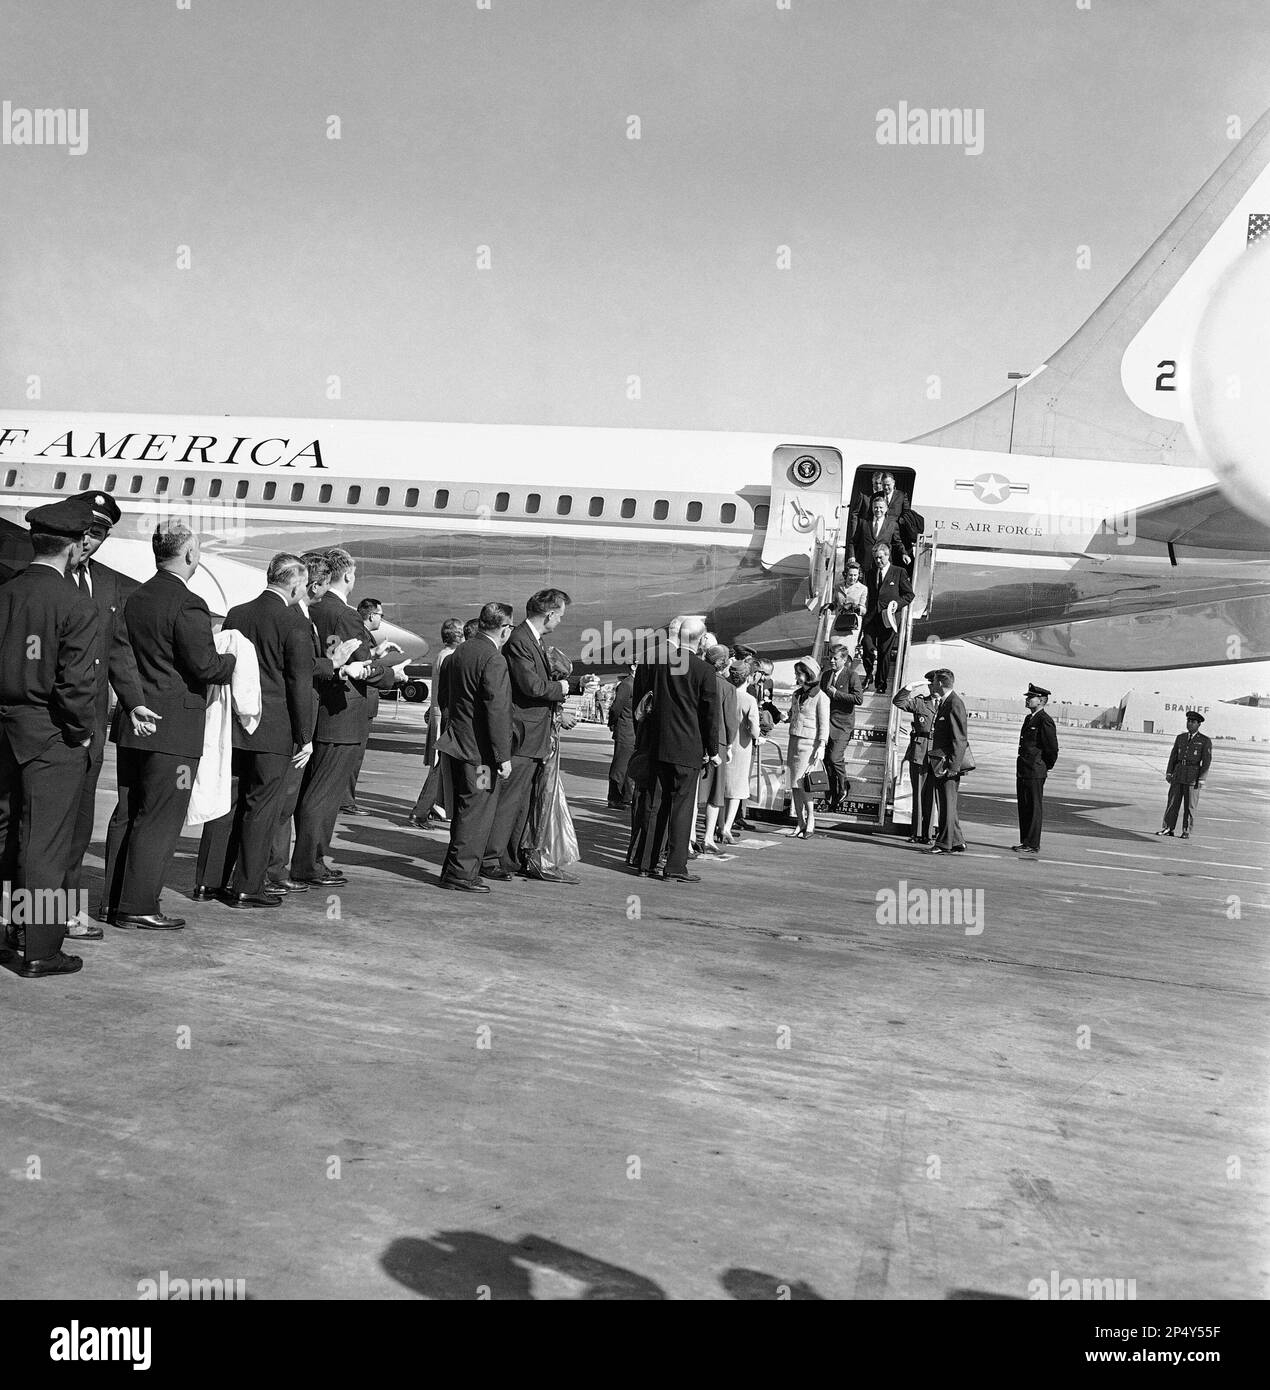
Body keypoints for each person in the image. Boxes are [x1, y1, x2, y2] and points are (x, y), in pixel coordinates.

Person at [100, 523, 237, 929]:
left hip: (134, 719)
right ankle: (138, 905)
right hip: (174, 729)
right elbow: (206, 666)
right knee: (160, 816)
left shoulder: (133, 597)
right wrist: (232, 660)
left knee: (127, 812)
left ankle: (113, 901)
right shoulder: (189, 604)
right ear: (190, 555)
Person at [0, 498, 99, 977]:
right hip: (50, 733)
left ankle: (6, 931)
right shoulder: (74, 603)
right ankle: (39, 948)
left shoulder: (6, 591)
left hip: (5, 727)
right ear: (77, 545)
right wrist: (79, 735)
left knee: (4, 833)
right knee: (45, 843)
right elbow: (77, 686)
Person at [60, 492, 161, 941]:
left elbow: (117, 647)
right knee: (34, 828)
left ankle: (60, 912)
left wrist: (134, 700)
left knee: (78, 827)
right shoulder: (42, 577)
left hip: (91, 728)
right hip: (45, 727)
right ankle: (21, 916)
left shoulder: (105, 583)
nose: (89, 543)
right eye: (84, 533)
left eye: (98, 535)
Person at [194, 555, 315, 907]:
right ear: (295, 585)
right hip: (273, 727)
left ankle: (208, 882)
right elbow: (299, 682)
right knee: (261, 807)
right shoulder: (294, 622)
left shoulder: (238, 613)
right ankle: (247, 887)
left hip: (235, 722)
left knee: (225, 803)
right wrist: (304, 735)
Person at [290, 549, 404, 886]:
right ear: (349, 576)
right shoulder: (346, 614)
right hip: (340, 716)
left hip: (317, 711)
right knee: (324, 796)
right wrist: (390, 674)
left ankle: (304, 859)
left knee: (309, 792)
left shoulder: (315, 606)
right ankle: (310, 863)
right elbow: (361, 669)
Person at [265, 553, 359, 892]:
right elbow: (298, 674)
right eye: (313, 584)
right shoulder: (295, 618)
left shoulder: (307, 614)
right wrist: (334, 664)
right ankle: (273, 872)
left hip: (300, 720)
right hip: (294, 722)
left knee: (287, 801)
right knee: (283, 803)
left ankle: (276, 870)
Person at [481, 588, 573, 884]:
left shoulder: (532, 640)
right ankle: (491, 857)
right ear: (549, 614)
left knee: (523, 801)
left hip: (535, 736)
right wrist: (561, 689)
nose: (560, 621)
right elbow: (531, 686)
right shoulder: (521, 641)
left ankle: (510, 855)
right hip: (523, 734)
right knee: (509, 800)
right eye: (560, 615)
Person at [630, 617, 720, 882]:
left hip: (660, 744)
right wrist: (712, 750)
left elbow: (646, 701)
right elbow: (709, 715)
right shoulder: (704, 671)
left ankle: (647, 862)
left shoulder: (659, 664)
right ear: (701, 639)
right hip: (688, 747)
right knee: (682, 807)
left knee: (657, 803)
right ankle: (675, 866)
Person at [436, 602, 514, 892]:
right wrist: (502, 756)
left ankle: (454, 868)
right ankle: (462, 873)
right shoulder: (493, 659)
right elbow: (497, 710)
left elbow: (445, 699)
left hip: (457, 744)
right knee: (477, 811)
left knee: (465, 808)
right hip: (480, 753)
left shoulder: (460, 652)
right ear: (504, 628)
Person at [342, 597, 401, 814]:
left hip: (366, 702)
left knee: (355, 756)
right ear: (371, 615)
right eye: (381, 615)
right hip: (362, 702)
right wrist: (393, 675)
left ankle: (346, 799)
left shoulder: (365, 635)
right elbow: (364, 666)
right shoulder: (361, 634)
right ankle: (345, 800)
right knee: (354, 756)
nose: (381, 619)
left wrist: (377, 654)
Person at [409, 617, 464, 827]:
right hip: (443, 716)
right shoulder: (451, 657)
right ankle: (420, 811)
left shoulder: (442, 655)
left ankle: (434, 807)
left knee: (440, 766)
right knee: (438, 767)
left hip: (437, 712)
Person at [697, 644, 740, 855]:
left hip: (696, 740)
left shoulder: (698, 679)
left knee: (694, 793)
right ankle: (707, 838)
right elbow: (732, 722)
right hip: (719, 743)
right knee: (715, 794)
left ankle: (688, 838)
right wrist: (730, 745)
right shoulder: (728, 688)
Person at [785, 656, 830, 839]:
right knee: (793, 784)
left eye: (799, 674)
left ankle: (811, 819)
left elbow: (824, 724)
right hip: (793, 741)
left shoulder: (821, 697)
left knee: (804, 785)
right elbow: (793, 715)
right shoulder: (797, 695)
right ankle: (800, 823)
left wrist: (822, 745)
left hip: (809, 744)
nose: (797, 677)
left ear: (808, 674)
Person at [861, 540, 914, 694]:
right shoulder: (870, 573)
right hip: (872, 617)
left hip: (888, 619)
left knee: (884, 651)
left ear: (888, 556)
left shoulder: (899, 572)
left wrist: (897, 604)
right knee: (867, 645)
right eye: (876, 558)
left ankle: (881, 683)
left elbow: (909, 595)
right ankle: (869, 673)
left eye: (881, 558)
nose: (878, 561)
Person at [893, 670, 940, 843]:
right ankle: (916, 833)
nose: (934, 687)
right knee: (918, 795)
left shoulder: (946, 704)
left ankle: (928, 834)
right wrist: (909, 687)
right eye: (931, 683)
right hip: (919, 753)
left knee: (932, 796)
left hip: (937, 756)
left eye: (937, 683)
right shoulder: (920, 702)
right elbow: (898, 702)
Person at [1014, 683, 1059, 856]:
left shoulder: (1044, 720)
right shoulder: (1029, 718)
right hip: (1024, 769)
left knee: (1033, 807)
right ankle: (1025, 841)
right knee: (1024, 807)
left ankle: (1032, 843)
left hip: (1035, 771)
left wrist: (1045, 766)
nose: (1026, 699)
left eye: (1030, 697)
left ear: (1040, 700)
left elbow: (1052, 748)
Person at [926, 669, 968, 854]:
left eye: (934, 682)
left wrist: (953, 767)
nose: (932, 685)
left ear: (941, 684)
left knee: (946, 805)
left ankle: (944, 844)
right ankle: (957, 841)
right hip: (943, 763)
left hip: (948, 765)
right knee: (947, 803)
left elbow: (959, 738)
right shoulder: (946, 703)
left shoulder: (954, 704)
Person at [720, 661, 762, 843]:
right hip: (742, 746)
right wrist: (758, 736)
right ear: (749, 677)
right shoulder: (749, 700)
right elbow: (754, 729)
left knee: (722, 787)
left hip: (724, 744)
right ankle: (726, 827)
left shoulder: (724, 693)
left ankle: (717, 824)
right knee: (736, 789)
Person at [822, 640, 863, 813]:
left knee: (834, 758)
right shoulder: (825, 676)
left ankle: (843, 784)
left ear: (844, 660)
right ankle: (832, 796)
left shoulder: (851, 675)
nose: (832, 661)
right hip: (826, 724)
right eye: (831, 658)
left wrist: (837, 694)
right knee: (826, 762)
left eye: (835, 659)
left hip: (843, 725)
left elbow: (858, 699)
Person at [1157, 711, 1212, 840]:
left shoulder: (1204, 741)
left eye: (1193, 722)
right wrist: (1169, 772)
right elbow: (1173, 756)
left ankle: (1186, 831)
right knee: (1172, 803)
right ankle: (1168, 828)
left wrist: (1202, 778)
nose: (1190, 724)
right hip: (1178, 774)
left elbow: (1206, 761)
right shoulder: (1180, 738)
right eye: (1188, 721)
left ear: (1199, 724)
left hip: (1193, 776)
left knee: (1190, 806)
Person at [606, 664, 637, 808]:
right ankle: (614, 797)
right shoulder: (627, 684)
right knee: (620, 766)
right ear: (633, 666)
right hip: (625, 730)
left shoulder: (635, 683)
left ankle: (625, 796)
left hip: (633, 731)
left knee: (629, 766)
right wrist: (612, 723)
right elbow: (616, 707)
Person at [852, 493, 904, 578]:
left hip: (882, 564)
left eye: (881, 507)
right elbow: (853, 541)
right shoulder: (863, 522)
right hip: (865, 565)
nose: (878, 510)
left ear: (886, 509)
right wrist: (852, 556)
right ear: (872, 508)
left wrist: (904, 553)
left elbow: (897, 542)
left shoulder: (892, 525)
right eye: (875, 507)